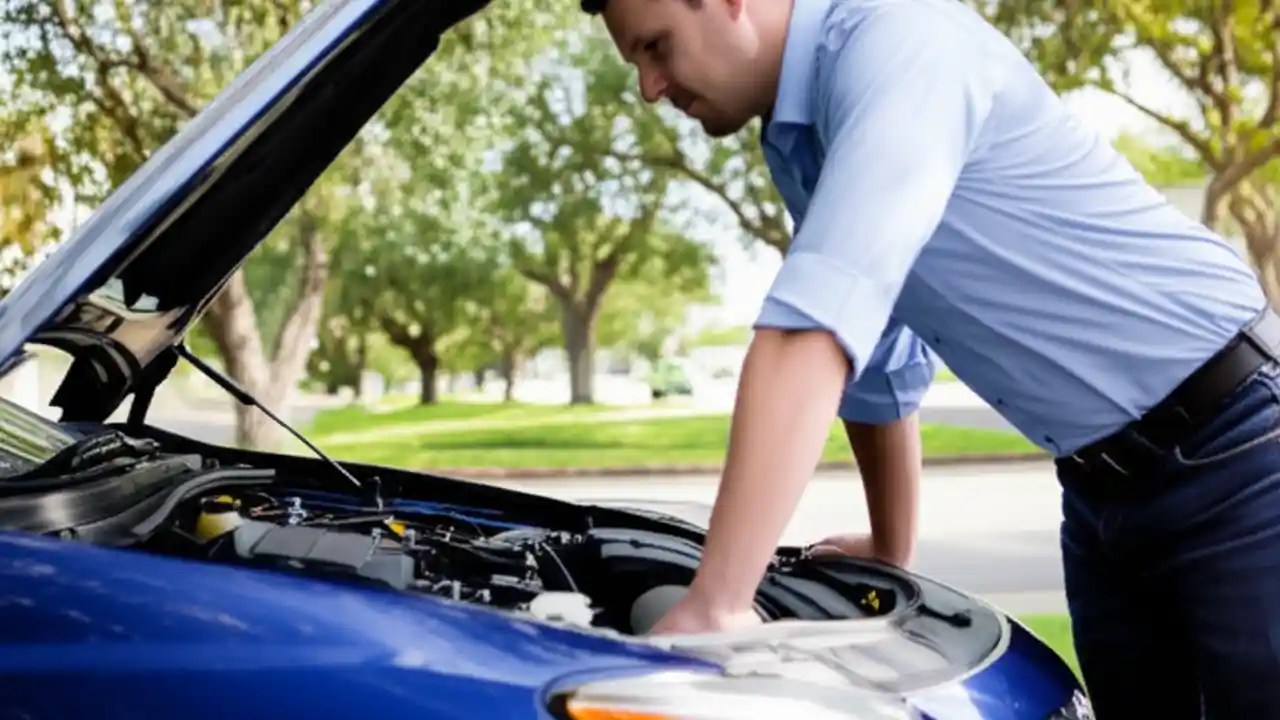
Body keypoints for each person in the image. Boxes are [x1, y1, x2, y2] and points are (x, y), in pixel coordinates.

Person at [580, 0, 1280, 716]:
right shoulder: (795, 141)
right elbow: (878, 358)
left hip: (1244, 452)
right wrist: (890, 544)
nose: (649, 88)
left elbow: (814, 326)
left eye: (656, 47)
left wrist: (718, 602)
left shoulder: (899, 41)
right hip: (1101, 494)